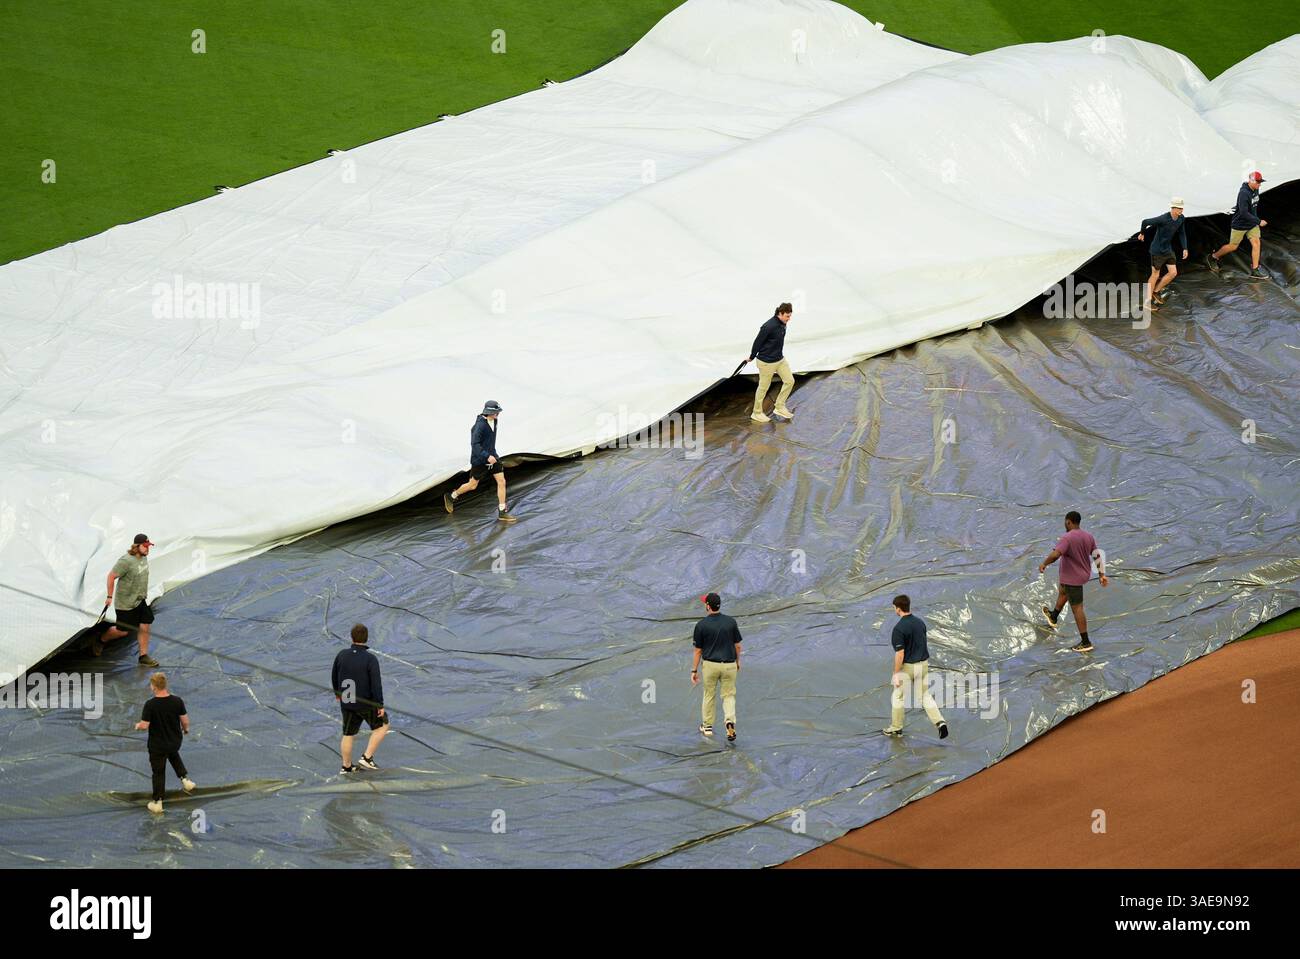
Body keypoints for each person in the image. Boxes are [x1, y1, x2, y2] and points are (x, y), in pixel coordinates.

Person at [1039, 510, 1109, 652]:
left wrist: (1044, 563)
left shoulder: (1067, 538)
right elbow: (1096, 555)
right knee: (1063, 591)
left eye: (1066, 522)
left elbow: (1056, 554)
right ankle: (1053, 616)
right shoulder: (1088, 536)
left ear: (1068, 521)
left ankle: (1085, 642)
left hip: (1073, 578)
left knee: (1077, 608)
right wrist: (1101, 574)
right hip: (1078, 576)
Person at [881, 595, 948, 740]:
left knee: (898, 696)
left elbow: (900, 654)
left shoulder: (899, 628)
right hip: (923, 665)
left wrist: (896, 673)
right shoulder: (920, 623)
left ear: (898, 608)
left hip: (908, 667)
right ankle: (940, 722)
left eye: (894, 608)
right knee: (925, 695)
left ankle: (896, 728)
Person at [444, 400, 518, 522]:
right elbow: (475, 445)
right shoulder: (479, 426)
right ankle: (451, 496)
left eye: (498, 412)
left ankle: (502, 511)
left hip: (493, 457)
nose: (498, 415)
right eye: (496, 412)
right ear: (488, 412)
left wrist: (491, 455)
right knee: (473, 485)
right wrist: (486, 456)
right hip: (480, 460)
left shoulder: (494, 420)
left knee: (501, 481)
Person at [331, 623, 389, 773]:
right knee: (383, 725)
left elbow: (334, 675)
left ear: (352, 637)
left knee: (348, 734)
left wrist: (338, 694)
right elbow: (376, 684)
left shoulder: (341, 655)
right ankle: (367, 758)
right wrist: (380, 705)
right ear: (367, 638)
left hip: (347, 701)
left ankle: (346, 766)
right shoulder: (370, 659)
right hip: (365, 702)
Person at [134, 672, 194, 814]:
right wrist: (185, 730)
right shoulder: (177, 701)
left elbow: (144, 725)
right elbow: (185, 720)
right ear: (165, 685)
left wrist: (137, 725)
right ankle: (186, 780)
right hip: (174, 741)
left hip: (158, 746)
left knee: (158, 772)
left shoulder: (150, 705)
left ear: (154, 687)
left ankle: (157, 802)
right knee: (173, 754)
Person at [100, 533, 160, 667]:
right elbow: (111, 577)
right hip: (126, 604)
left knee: (145, 623)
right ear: (136, 546)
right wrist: (109, 596)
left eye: (148, 546)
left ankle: (143, 656)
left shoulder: (144, 558)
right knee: (123, 631)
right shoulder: (126, 561)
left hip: (140, 600)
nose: (147, 549)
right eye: (145, 546)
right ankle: (101, 639)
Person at [690, 593, 743, 742]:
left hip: (710, 666)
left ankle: (707, 727)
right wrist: (737, 662)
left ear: (707, 606)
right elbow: (738, 645)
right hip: (729, 665)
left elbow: (698, 650)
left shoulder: (701, 625)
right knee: (728, 695)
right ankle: (729, 722)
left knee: (709, 695)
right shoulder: (731, 622)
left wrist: (694, 670)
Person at [1207, 172, 1268, 278]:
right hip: (1240, 224)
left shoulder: (1255, 189)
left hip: (1252, 223)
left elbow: (1253, 206)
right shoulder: (1244, 193)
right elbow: (1244, 213)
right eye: (1258, 182)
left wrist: (1254, 221)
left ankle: (1255, 269)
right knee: (1233, 246)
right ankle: (1213, 257)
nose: (1260, 185)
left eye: (1260, 182)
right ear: (1251, 181)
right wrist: (1258, 221)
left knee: (1256, 243)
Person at [1137, 197, 1188, 309]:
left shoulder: (1181, 219)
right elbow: (1145, 222)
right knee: (1155, 274)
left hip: (1168, 249)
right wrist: (1142, 233)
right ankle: (1147, 301)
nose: (1181, 210)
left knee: (1173, 273)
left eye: (1182, 208)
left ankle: (1156, 291)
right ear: (1173, 208)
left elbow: (1182, 233)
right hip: (1157, 250)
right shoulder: (1163, 219)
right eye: (1179, 208)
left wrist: (1185, 248)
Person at [748, 303, 795, 423]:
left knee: (790, 381)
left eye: (790, 316)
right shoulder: (768, 326)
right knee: (763, 388)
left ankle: (779, 407)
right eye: (787, 316)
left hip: (780, 359)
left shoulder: (783, 324)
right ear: (780, 313)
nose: (789, 319)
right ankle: (756, 413)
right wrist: (752, 356)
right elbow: (758, 342)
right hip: (766, 362)